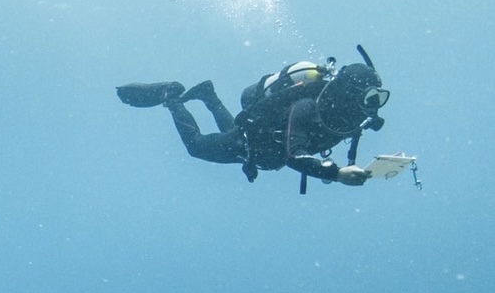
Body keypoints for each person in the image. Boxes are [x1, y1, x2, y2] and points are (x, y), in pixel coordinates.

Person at [117, 46, 390, 193]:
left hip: (256, 143)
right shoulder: (308, 107)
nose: (372, 106)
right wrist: (336, 173)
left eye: (377, 98)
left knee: (235, 131)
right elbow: (294, 156)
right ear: (348, 93)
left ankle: (209, 95)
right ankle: (172, 96)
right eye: (369, 98)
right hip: (250, 143)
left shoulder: (347, 118)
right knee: (196, 147)